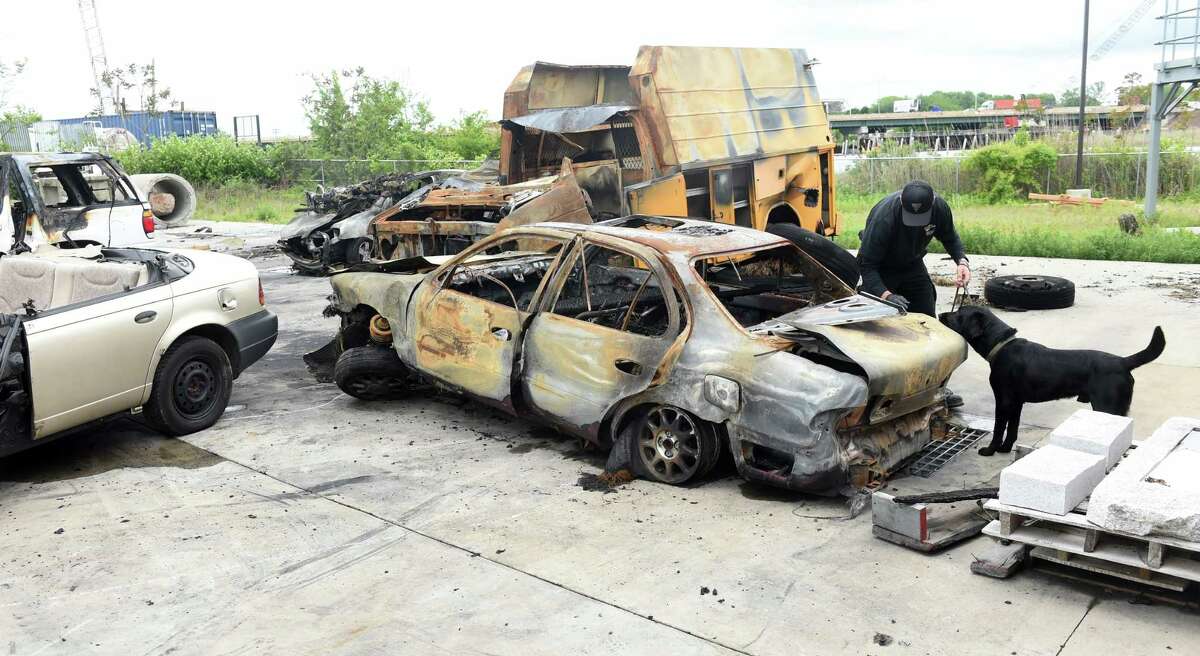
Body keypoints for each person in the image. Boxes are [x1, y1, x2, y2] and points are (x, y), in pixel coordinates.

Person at [857, 180, 969, 407]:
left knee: (928, 322)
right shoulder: (884, 218)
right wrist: (886, 295)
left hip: (912, 264)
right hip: (882, 268)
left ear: (933, 203)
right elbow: (866, 264)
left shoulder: (940, 208)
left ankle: (937, 389)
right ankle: (883, 395)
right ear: (901, 202)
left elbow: (950, 237)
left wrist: (962, 261)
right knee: (885, 331)